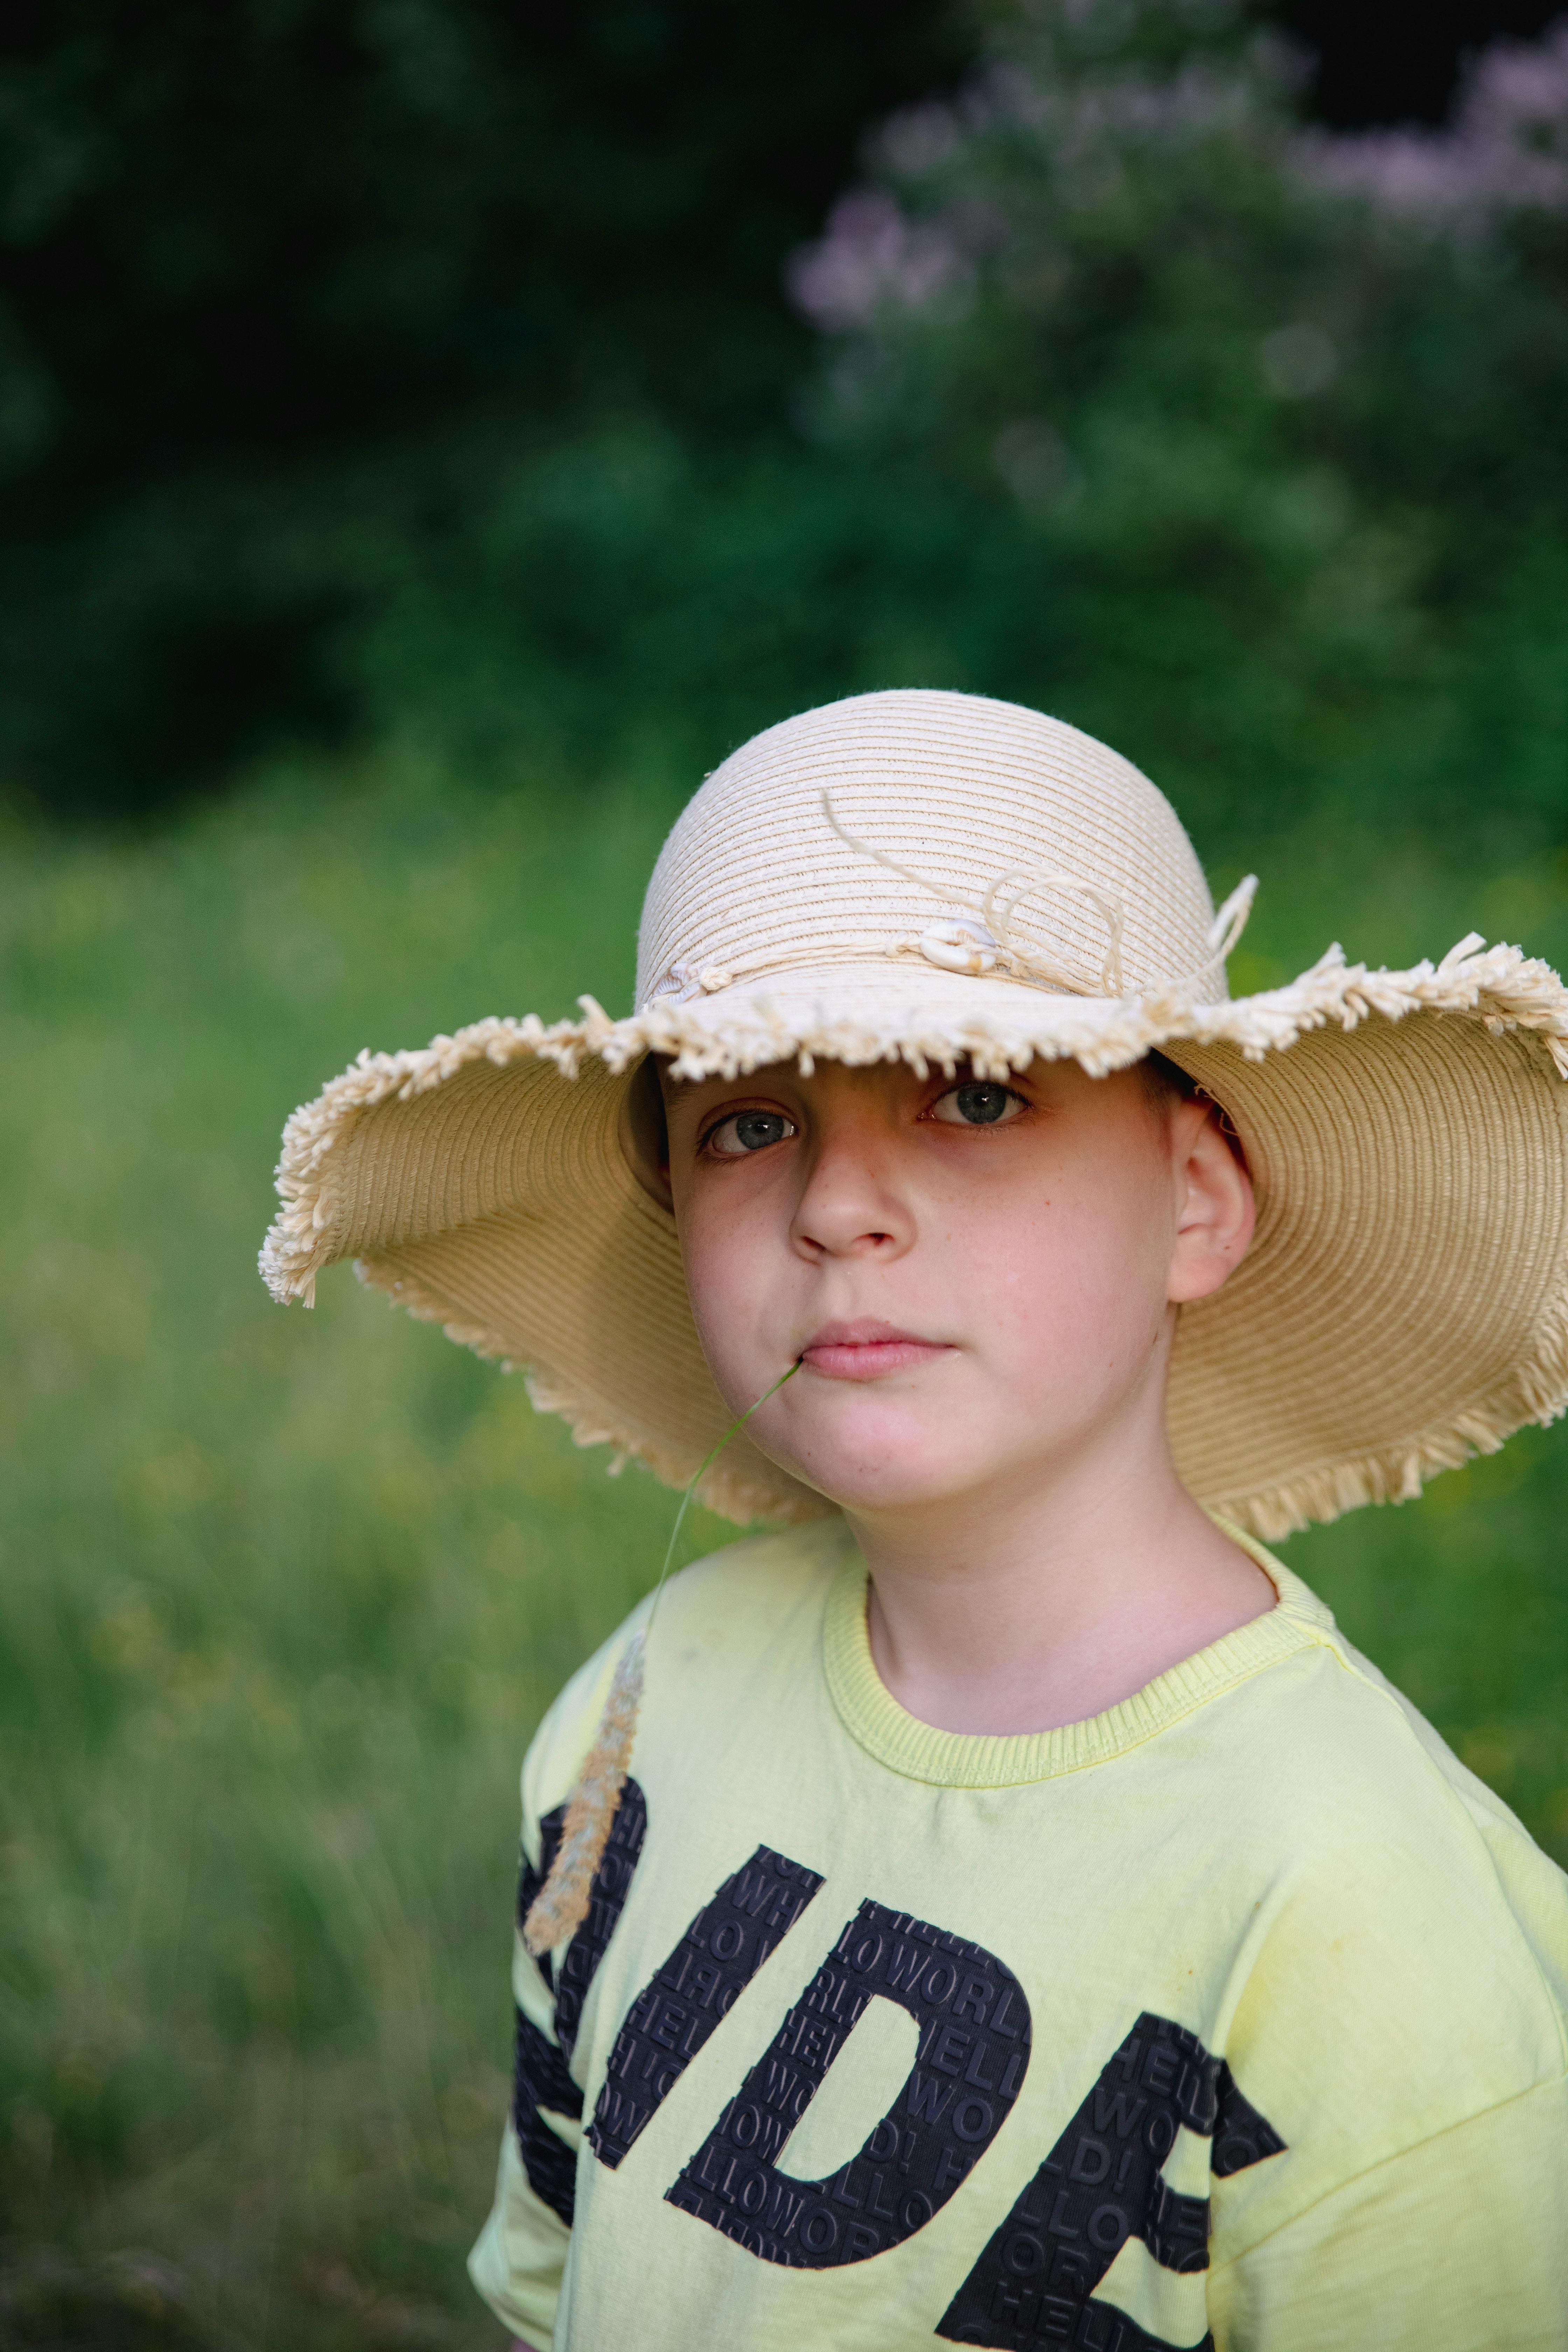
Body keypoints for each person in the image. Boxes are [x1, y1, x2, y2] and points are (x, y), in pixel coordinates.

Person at [262, 691, 1568, 2350]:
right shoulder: (651, 1689)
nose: (833, 1209)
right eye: (748, 1124)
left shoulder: (1368, 1918)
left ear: (1195, 1195)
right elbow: (554, 2281)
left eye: (971, 1097)